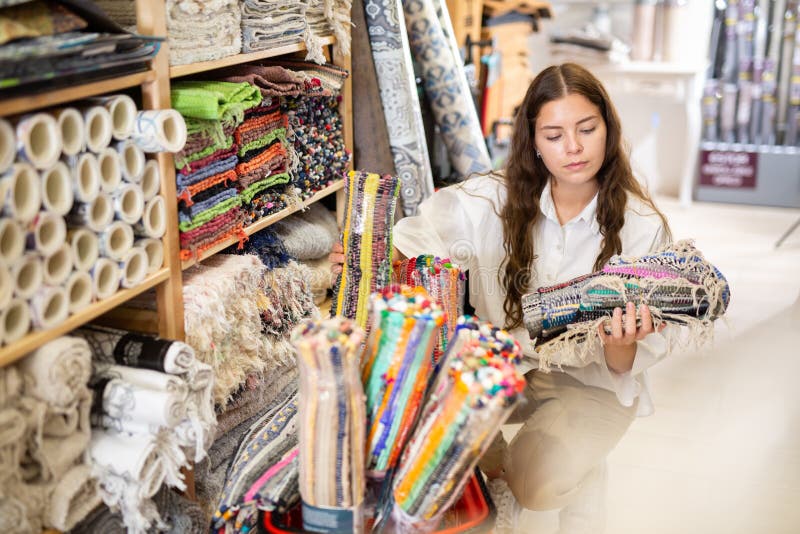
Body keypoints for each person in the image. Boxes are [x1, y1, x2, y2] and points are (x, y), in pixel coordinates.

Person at [330, 62, 672, 533]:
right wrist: (363, 255)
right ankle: (502, 473)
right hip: (507, 367)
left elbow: (627, 363)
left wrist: (621, 342)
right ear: (533, 141)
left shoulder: (642, 226)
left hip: (594, 384)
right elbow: (413, 239)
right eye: (554, 135)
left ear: (608, 130)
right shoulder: (490, 200)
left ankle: (580, 469)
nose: (573, 148)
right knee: (436, 430)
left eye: (587, 129)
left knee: (537, 483)